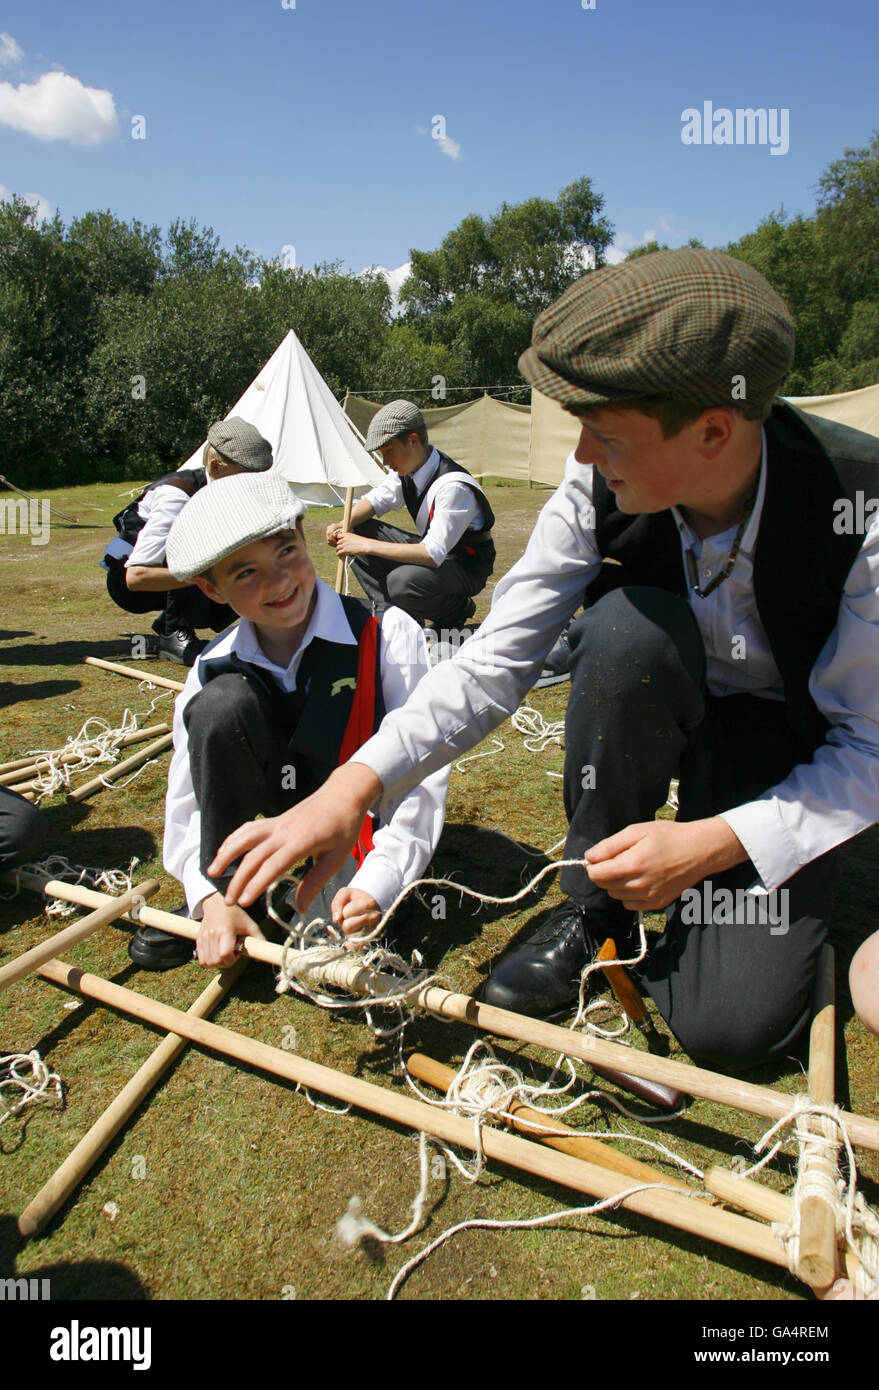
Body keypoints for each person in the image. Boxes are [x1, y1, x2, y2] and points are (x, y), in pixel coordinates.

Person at [203, 249, 879, 1072]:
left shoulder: (859, 511)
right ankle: (592, 906)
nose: (584, 456)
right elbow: (495, 659)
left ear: (710, 430)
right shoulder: (598, 481)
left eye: (604, 433)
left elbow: (868, 751)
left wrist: (715, 844)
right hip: (663, 697)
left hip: (789, 748)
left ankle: (709, 893)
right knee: (624, 633)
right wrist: (353, 787)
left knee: (730, 1034)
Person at [127, 471, 448, 971]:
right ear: (211, 589)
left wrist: (377, 882)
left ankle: (355, 885)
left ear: (302, 534)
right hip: (276, 806)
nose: (278, 582)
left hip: (363, 820)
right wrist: (206, 898)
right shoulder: (210, 667)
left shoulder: (386, 633)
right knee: (220, 707)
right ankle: (232, 889)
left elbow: (421, 773)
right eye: (245, 573)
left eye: (285, 551)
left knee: (321, 942)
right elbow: (189, 800)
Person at [102, 418, 273, 666]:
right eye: (245, 475)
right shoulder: (176, 497)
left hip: (167, 575)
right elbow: (136, 577)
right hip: (128, 583)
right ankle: (173, 631)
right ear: (216, 466)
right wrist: (213, 577)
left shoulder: (225, 491)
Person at [327, 400, 495, 631]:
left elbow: (432, 553)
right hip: (439, 556)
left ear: (413, 441)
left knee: (402, 582)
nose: (385, 462)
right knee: (353, 529)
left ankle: (456, 611)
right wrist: (342, 525)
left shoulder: (453, 487)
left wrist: (364, 545)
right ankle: (396, 621)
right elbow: (377, 500)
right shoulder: (407, 471)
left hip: (466, 567)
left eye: (388, 452)